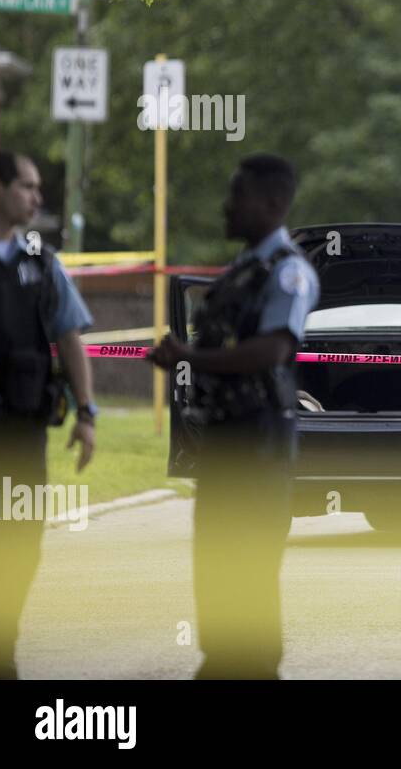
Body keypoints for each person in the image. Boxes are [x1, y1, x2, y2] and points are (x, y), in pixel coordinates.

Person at [147, 154, 318, 679]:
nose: (227, 205)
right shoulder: (243, 271)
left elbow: (269, 350)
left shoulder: (288, 272)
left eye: (237, 195)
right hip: (226, 444)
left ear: (271, 203)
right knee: (217, 578)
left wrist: (189, 359)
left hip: (258, 446)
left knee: (247, 583)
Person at [0, 151, 96, 679]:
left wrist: (87, 412)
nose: (37, 197)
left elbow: (70, 335)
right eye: (27, 186)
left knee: (19, 542)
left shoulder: (41, 261)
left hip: (23, 430)